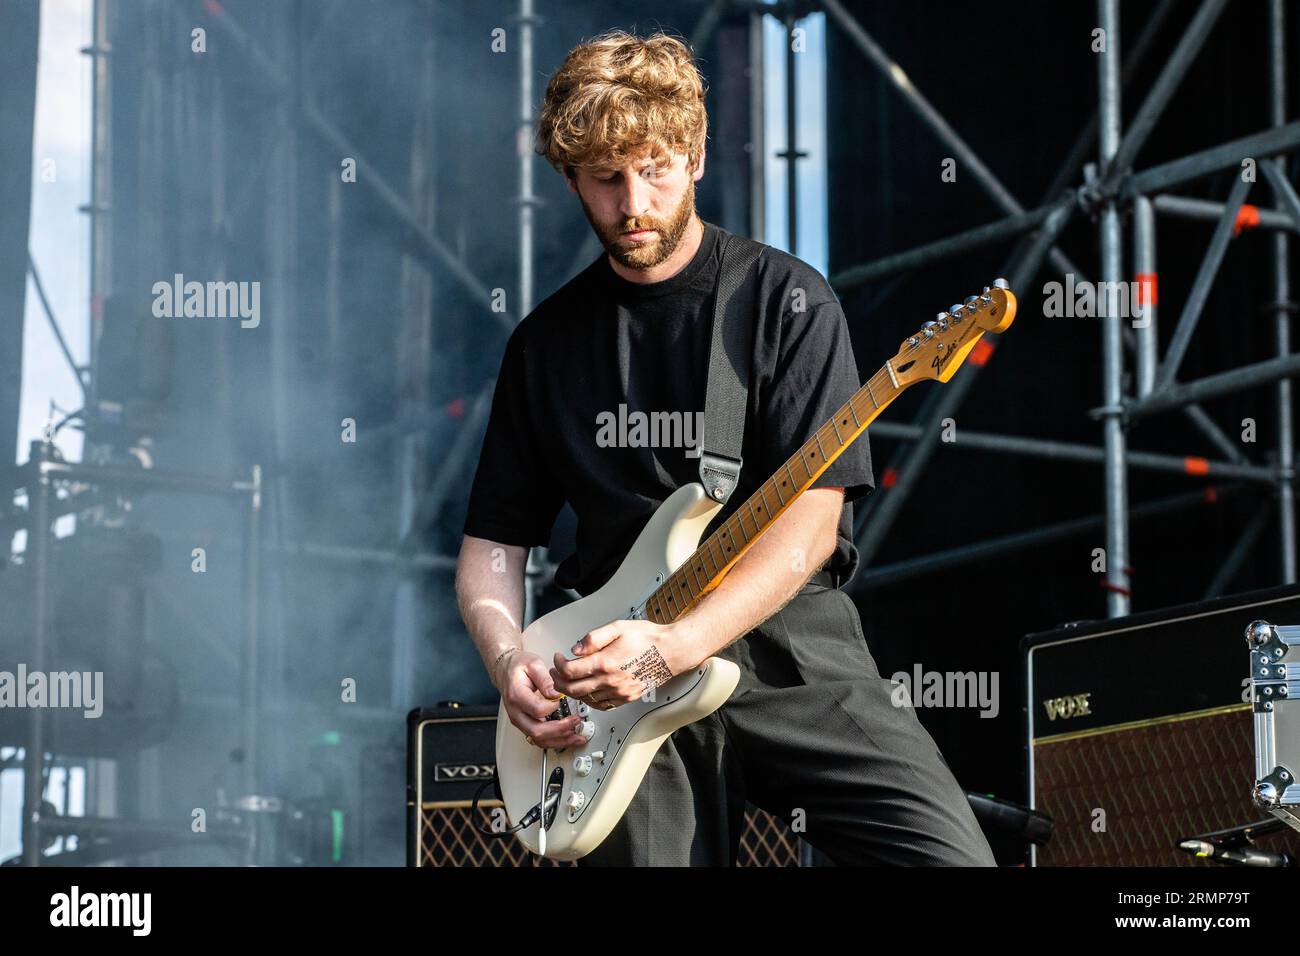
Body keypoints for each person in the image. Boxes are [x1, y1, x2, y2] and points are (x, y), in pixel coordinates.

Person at [455, 29, 995, 867]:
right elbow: (492, 547)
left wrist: (676, 647)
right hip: (613, 662)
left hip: (785, 640)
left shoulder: (786, 302)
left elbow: (812, 527)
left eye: (657, 167)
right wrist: (508, 658)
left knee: (946, 856)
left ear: (698, 155)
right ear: (569, 178)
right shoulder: (543, 345)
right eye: (605, 178)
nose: (634, 201)